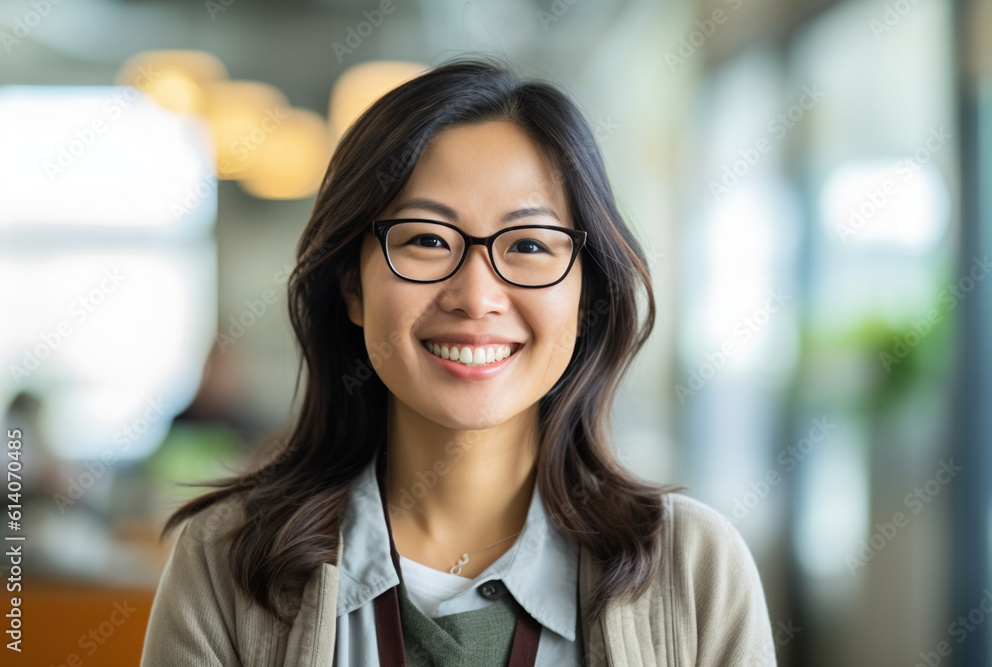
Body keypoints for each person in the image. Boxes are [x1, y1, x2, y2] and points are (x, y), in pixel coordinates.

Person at [140, 55, 777, 667]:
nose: (476, 297)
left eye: (528, 243)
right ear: (353, 289)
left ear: (587, 296)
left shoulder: (695, 566)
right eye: (425, 240)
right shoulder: (227, 559)